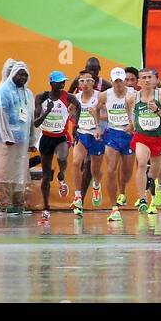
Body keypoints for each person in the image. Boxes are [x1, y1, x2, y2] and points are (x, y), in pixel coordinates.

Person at [0, 60, 33, 214]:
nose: (22, 77)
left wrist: (31, 139)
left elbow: (31, 117)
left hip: (21, 141)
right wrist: (6, 136)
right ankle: (4, 205)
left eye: (25, 74)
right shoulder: (1, 91)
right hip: (4, 141)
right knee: (4, 172)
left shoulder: (26, 93)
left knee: (19, 172)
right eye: (19, 73)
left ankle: (19, 204)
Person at [32, 71, 80, 220]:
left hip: (61, 136)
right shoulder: (41, 97)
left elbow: (78, 106)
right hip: (46, 137)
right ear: (51, 83)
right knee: (46, 177)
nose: (62, 84)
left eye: (63, 81)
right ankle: (46, 208)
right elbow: (36, 123)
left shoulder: (68, 97)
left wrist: (76, 126)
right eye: (59, 82)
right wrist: (47, 112)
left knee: (62, 158)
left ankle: (61, 177)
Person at [100, 66, 136, 222]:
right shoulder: (105, 95)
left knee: (127, 172)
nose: (119, 84)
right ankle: (114, 207)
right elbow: (95, 109)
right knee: (110, 169)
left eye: (121, 81)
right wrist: (97, 125)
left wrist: (133, 124)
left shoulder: (133, 94)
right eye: (116, 81)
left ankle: (122, 192)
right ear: (112, 81)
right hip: (113, 134)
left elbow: (141, 111)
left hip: (128, 135)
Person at [69, 69, 106, 216]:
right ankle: (78, 196)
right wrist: (73, 118)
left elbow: (107, 115)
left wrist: (96, 114)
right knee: (76, 162)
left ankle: (96, 186)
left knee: (95, 170)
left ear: (93, 83)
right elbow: (70, 112)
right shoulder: (75, 98)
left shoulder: (100, 97)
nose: (84, 84)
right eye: (81, 81)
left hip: (97, 134)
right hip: (82, 133)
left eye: (87, 81)